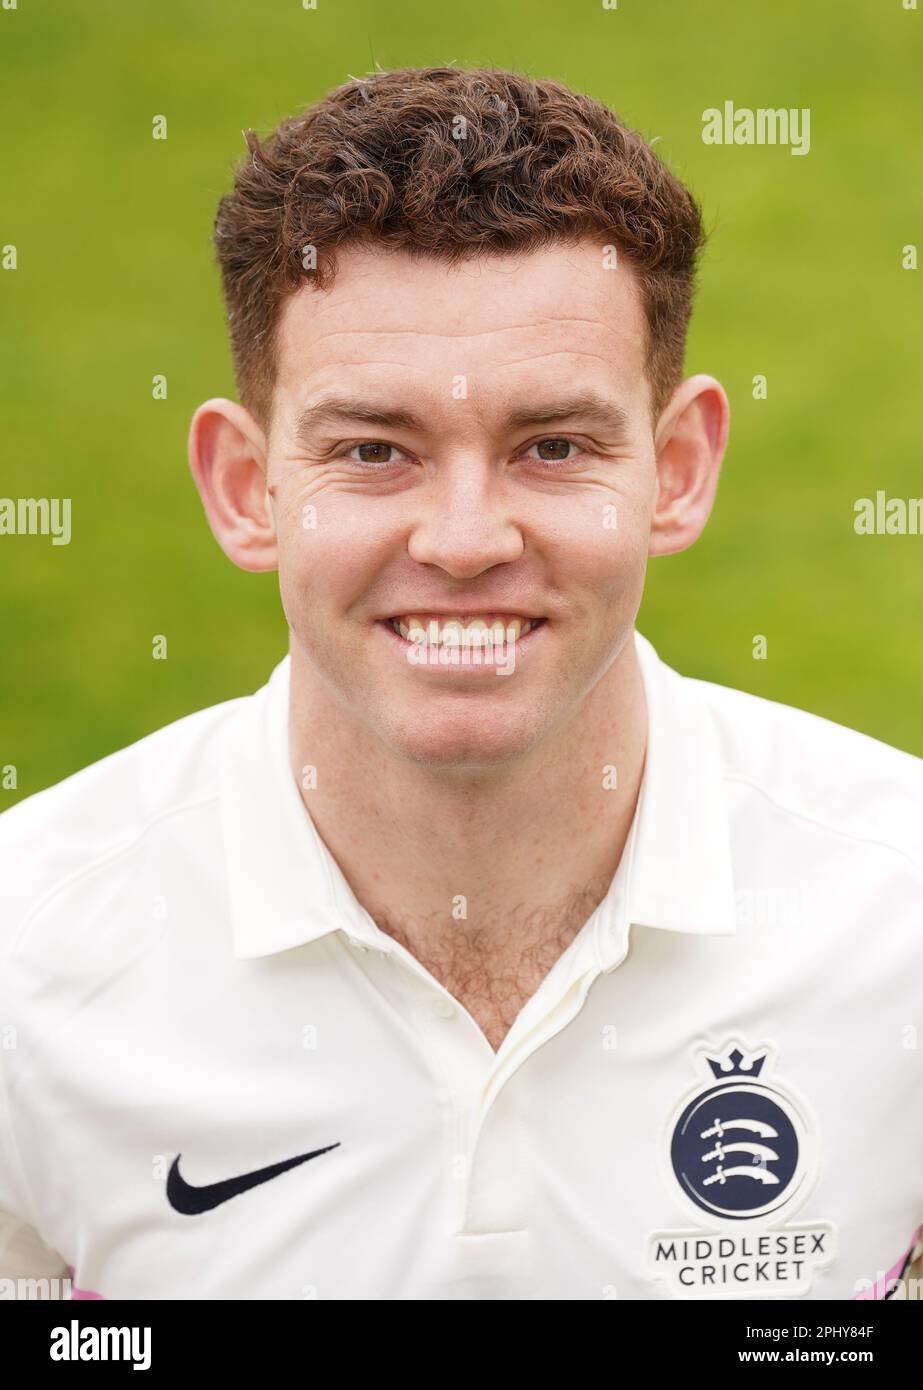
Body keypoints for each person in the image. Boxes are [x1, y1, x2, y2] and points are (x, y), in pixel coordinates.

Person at [1, 66, 920, 1302]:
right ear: (241, 485)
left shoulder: (896, 916)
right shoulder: (28, 962)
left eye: (551, 445)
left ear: (680, 467)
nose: (464, 537)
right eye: (373, 450)